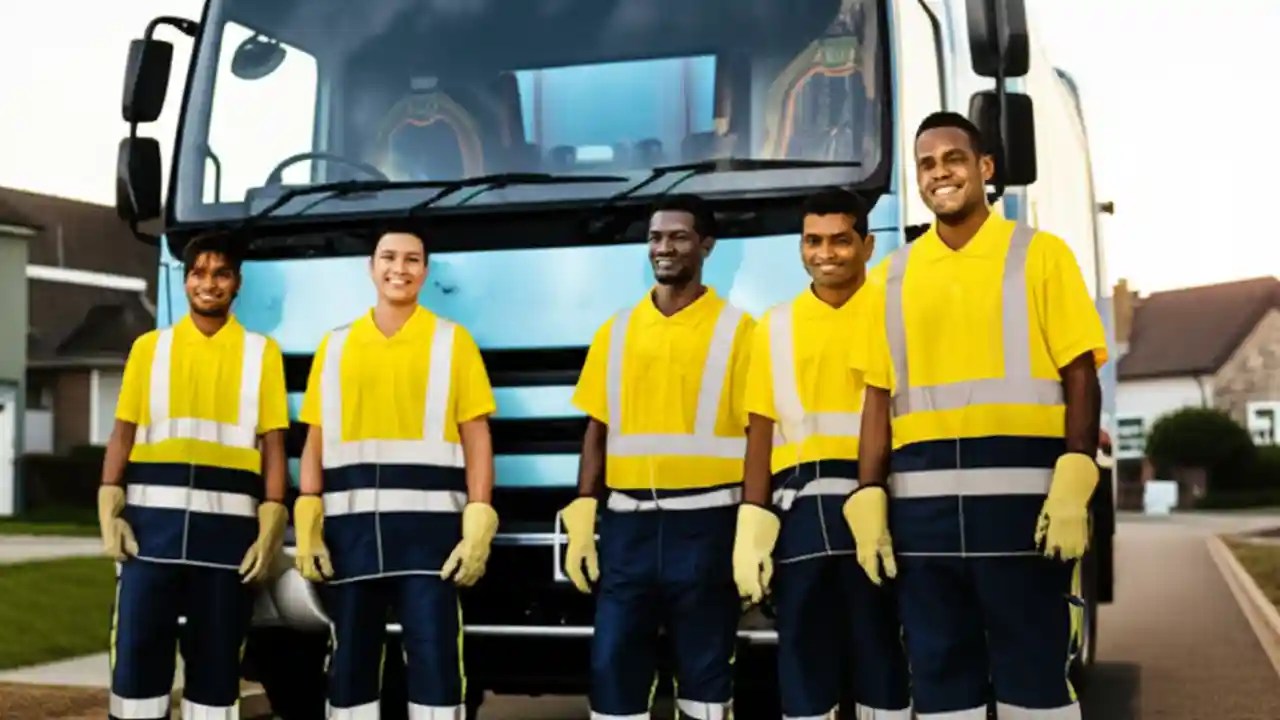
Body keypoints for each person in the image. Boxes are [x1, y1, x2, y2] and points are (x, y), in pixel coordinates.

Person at [850, 111, 1106, 719]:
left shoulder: (1041, 256)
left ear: (985, 169)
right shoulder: (890, 277)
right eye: (927, 165)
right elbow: (877, 401)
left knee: (1036, 679)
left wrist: (1075, 477)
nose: (940, 174)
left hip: (1025, 515)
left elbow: (1080, 372)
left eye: (953, 159)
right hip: (924, 524)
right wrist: (866, 496)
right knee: (940, 683)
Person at [559, 194, 755, 719]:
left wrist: (756, 521)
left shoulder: (741, 331)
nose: (663, 247)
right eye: (655, 237)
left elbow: (761, 431)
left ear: (706, 246)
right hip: (629, 529)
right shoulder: (616, 331)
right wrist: (582, 509)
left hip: (709, 526)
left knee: (706, 669)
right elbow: (596, 428)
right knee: (613, 664)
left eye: (678, 237)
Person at [292, 226, 500, 717]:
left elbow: (477, 436)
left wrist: (479, 516)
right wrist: (307, 514)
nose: (399, 269)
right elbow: (315, 439)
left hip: (431, 539)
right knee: (350, 666)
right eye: (389, 258)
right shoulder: (336, 345)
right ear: (371, 267)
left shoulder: (454, 342)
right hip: (350, 536)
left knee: (436, 663)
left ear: (425, 272)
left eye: (411, 260)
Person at [733, 188, 912, 719]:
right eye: (813, 241)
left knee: (881, 648)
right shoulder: (775, 325)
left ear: (867, 245)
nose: (825, 253)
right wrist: (752, 519)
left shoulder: (893, 314)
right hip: (800, 512)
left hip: (884, 502)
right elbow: (760, 430)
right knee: (803, 655)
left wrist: (878, 493)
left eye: (840, 240)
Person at [97, 232, 290, 720]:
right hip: (149, 536)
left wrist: (272, 518)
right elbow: (122, 433)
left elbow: (273, 444)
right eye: (200, 273)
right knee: (138, 657)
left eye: (221, 273)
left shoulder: (261, 353)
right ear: (185, 282)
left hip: (227, 542)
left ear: (237, 283)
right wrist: (108, 501)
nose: (210, 283)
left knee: (216, 666)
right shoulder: (148, 348)